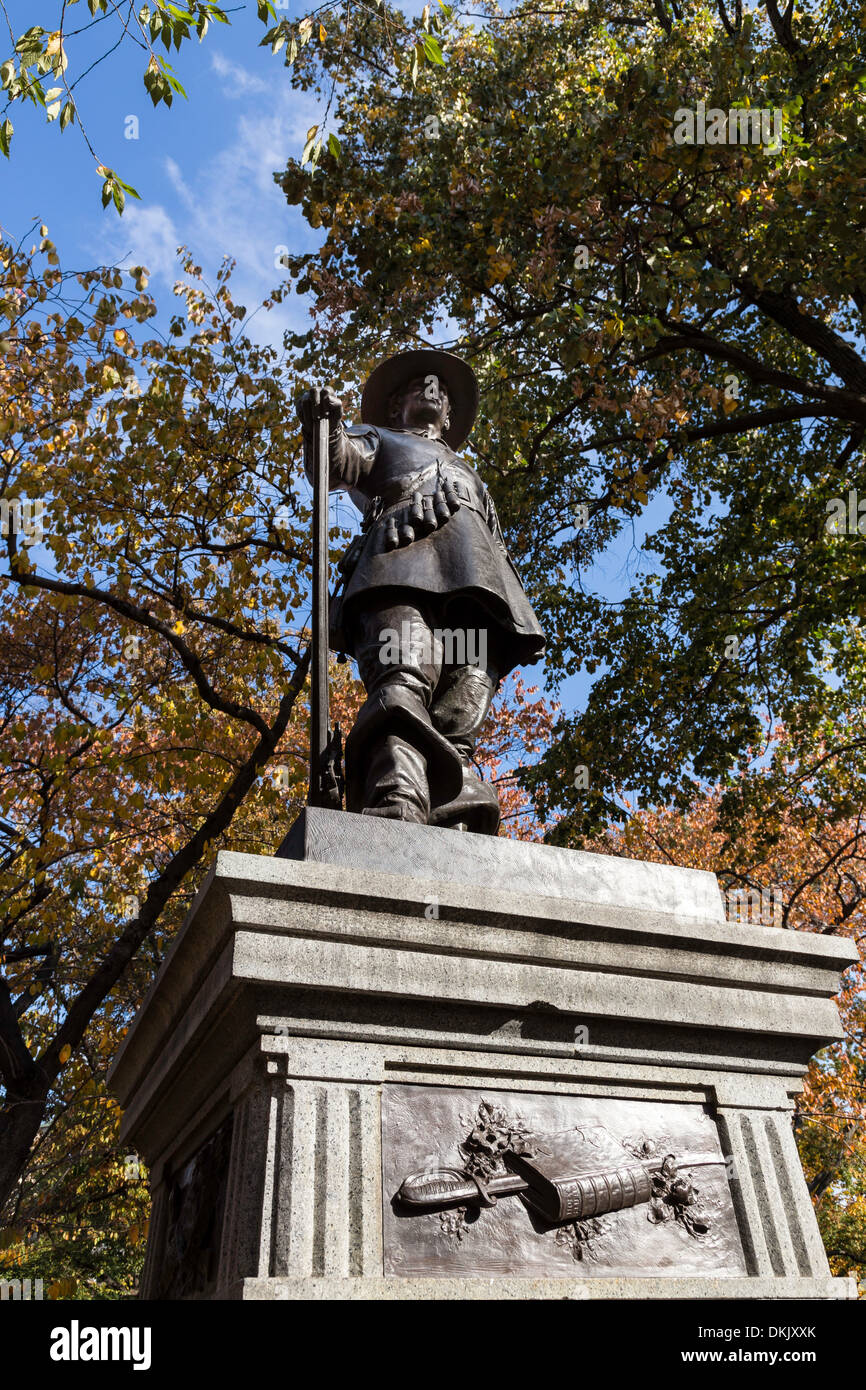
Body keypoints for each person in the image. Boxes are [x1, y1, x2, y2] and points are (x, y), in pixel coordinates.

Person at [297, 349, 545, 833]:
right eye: (418, 386)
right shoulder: (379, 439)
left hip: (476, 590)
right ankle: (397, 801)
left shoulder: (467, 470)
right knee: (403, 678)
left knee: (462, 699)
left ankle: (453, 813)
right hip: (399, 570)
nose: (432, 389)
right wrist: (323, 421)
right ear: (394, 408)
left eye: (441, 389)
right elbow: (335, 462)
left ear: (449, 414)